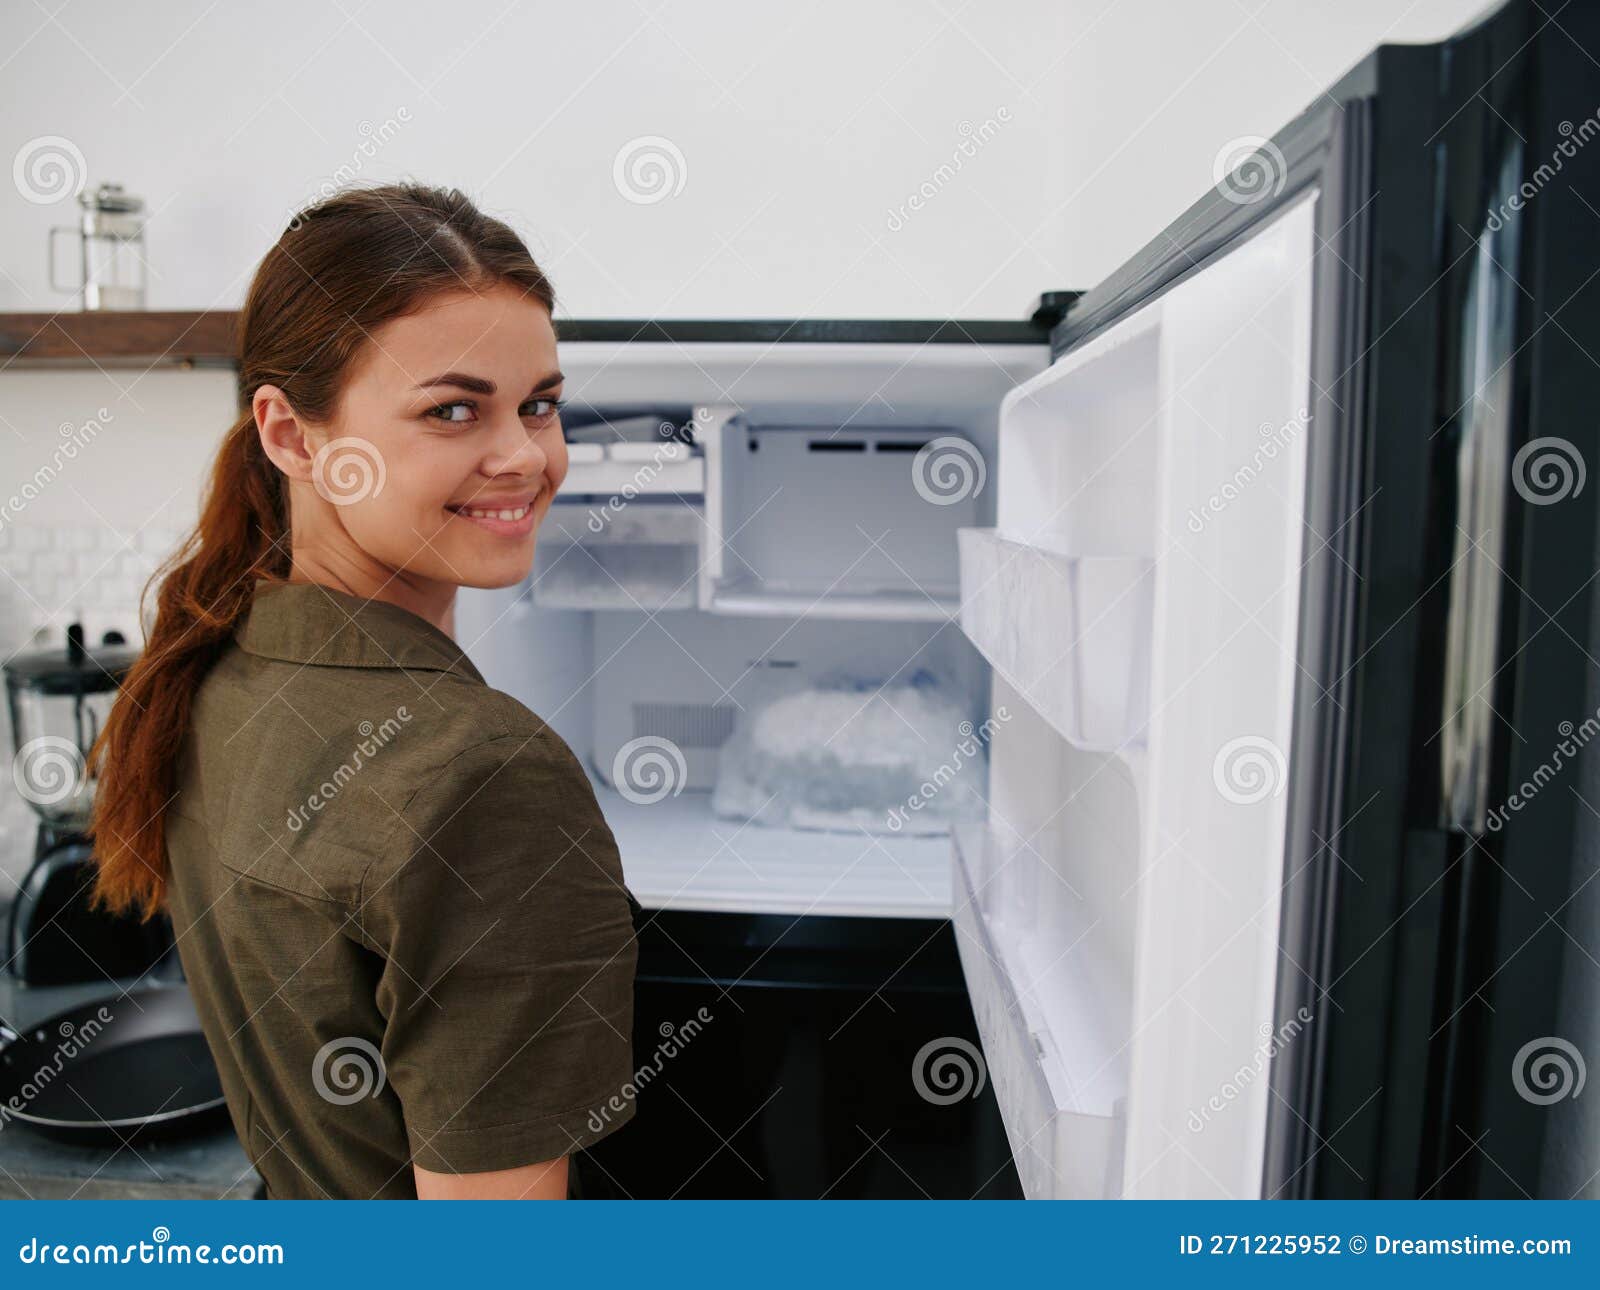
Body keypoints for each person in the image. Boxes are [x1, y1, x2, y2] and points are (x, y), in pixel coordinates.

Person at [87, 182, 639, 1199]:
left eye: (542, 404)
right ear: (294, 438)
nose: (525, 456)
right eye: (452, 410)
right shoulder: (482, 775)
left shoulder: (219, 665)